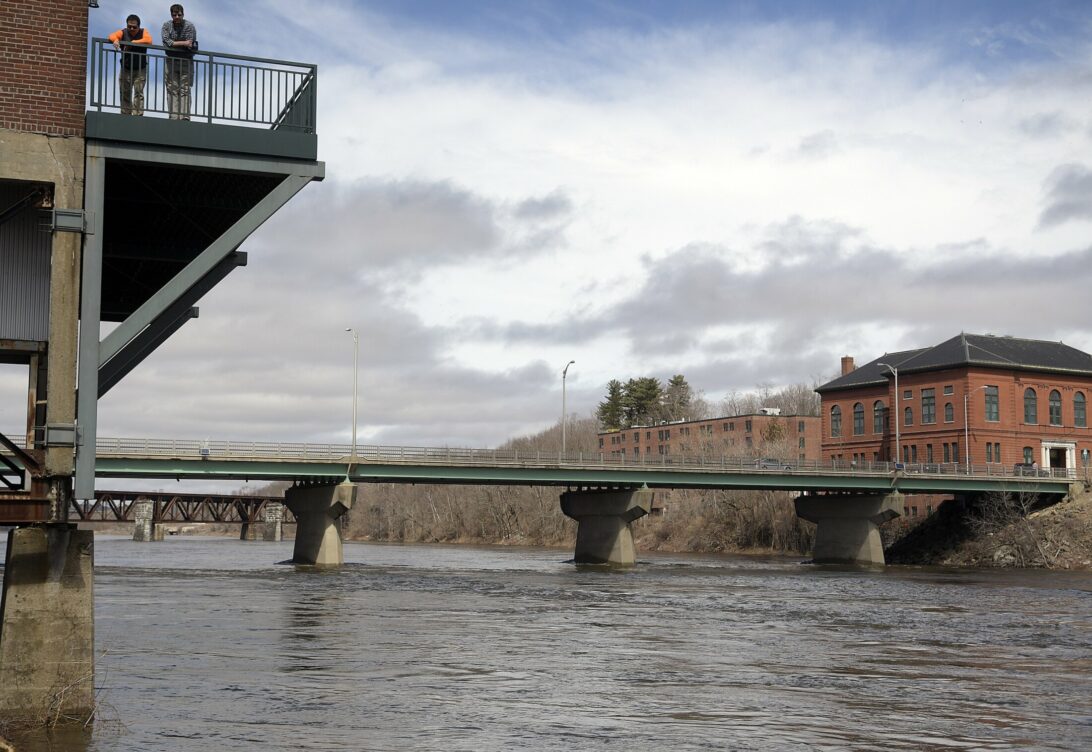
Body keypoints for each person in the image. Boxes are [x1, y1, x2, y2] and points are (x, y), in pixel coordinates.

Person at [108, 14, 152, 115]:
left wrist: (133, 42)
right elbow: (111, 35)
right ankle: (125, 113)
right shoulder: (123, 32)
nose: (131, 28)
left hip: (140, 68)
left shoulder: (143, 32)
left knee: (138, 91)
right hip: (126, 68)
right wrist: (115, 40)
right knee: (125, 92)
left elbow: (149, 40)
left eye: (134, 27)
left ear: (139, 26)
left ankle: (137, 114)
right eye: (129, 26)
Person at [161, 4, 198, 120]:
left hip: (186, 61)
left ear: (183, 14)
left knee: (185, 88)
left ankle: (184, 116)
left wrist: (176, 44)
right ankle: (173, 115)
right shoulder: (167, 25)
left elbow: (190, 44)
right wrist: (183, 43)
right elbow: (167, 42)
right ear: (171, 15)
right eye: (174, 15)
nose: (177, 17)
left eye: (179, 14)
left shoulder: (189, 26)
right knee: (172, 88)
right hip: (171, 60)